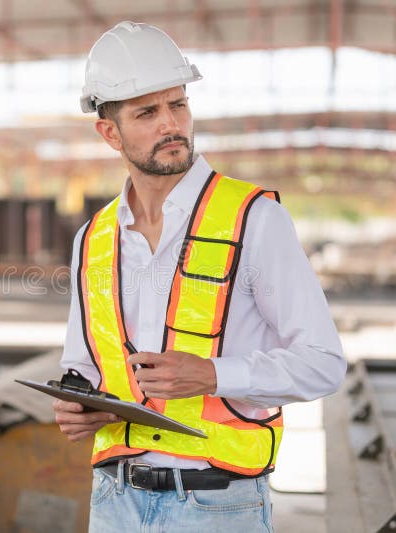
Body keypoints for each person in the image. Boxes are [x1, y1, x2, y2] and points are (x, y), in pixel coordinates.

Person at [54, 21, 345, 532]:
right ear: (109, 132)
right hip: (114, 502)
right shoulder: (93, 240)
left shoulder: (254, 220)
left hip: (218, 506)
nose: (171, 124)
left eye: (178, 104)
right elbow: (85, 366)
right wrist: (79, 403)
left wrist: (214, 375)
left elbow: (323, 364)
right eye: (147, 112)